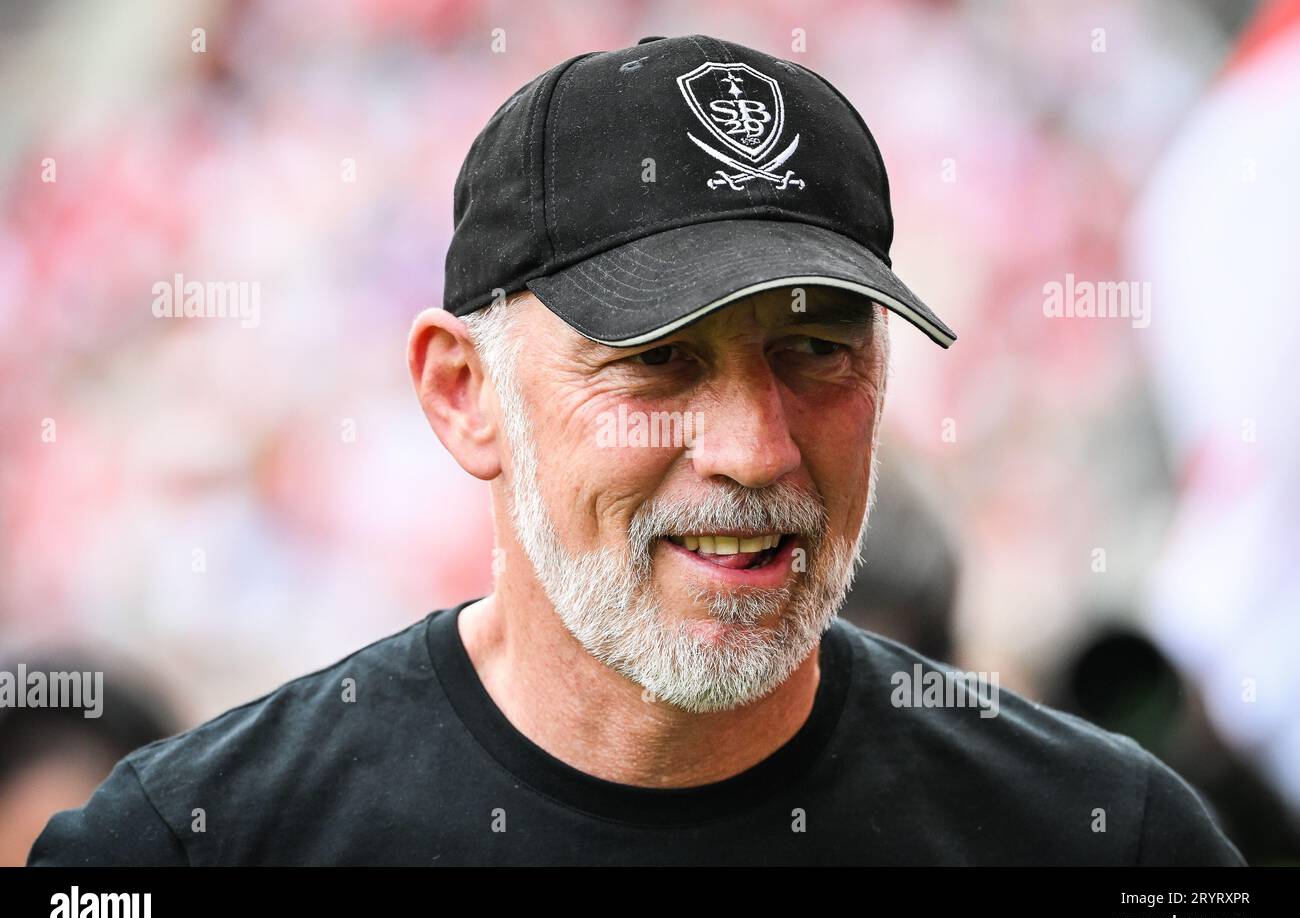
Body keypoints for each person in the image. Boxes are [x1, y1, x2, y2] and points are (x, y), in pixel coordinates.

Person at [28, 34, 1243, 865]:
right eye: (658, 357)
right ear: (465, 397)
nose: (755, 448)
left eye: (817, 350)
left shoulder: (1108, 839)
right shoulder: (187, 847)